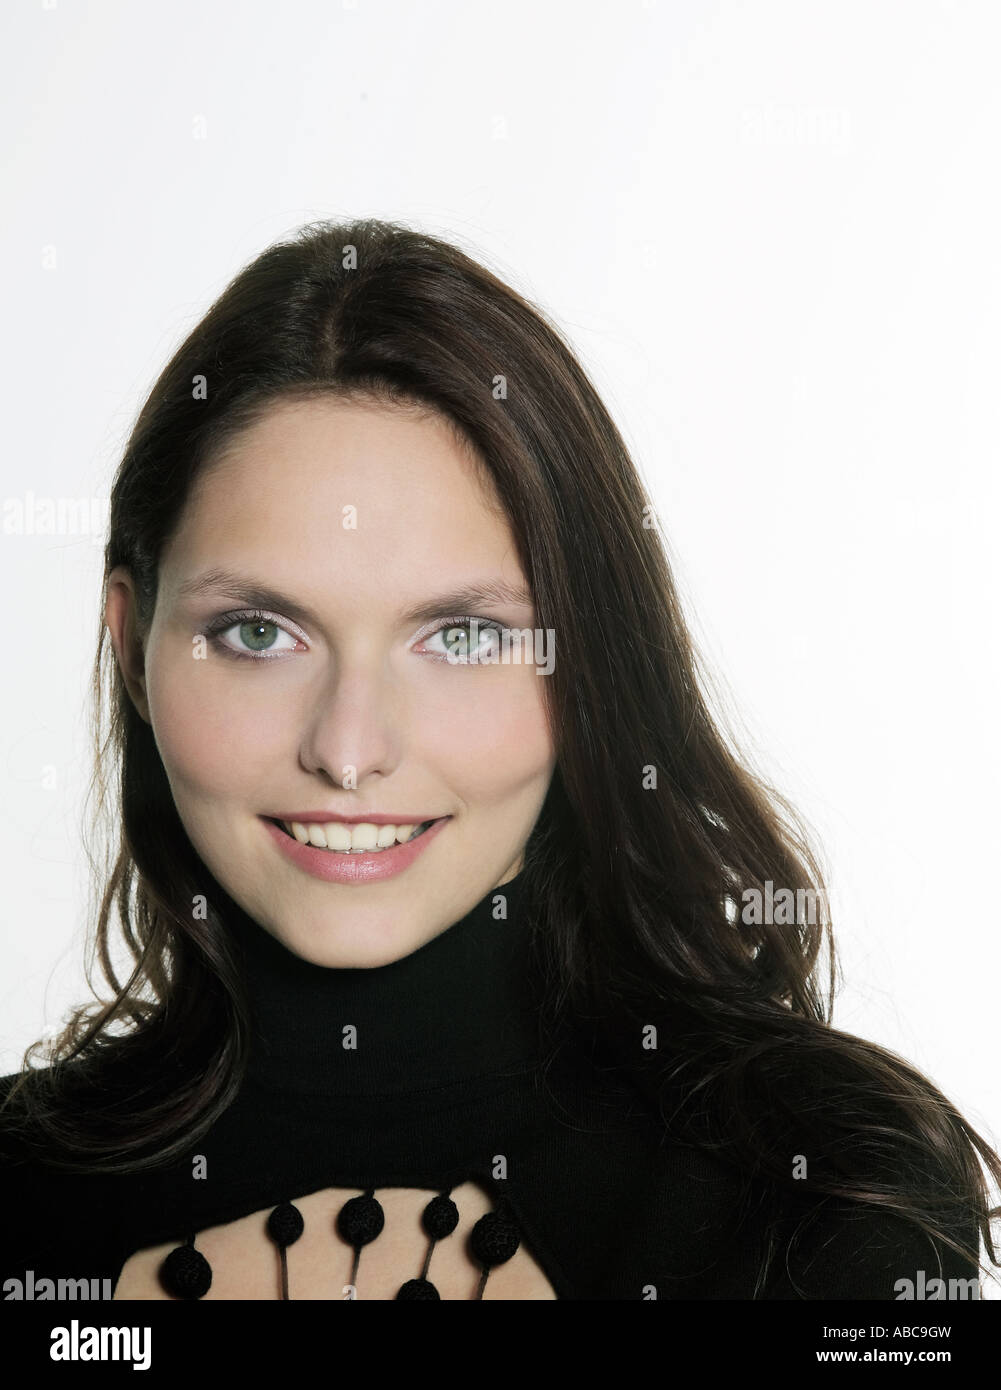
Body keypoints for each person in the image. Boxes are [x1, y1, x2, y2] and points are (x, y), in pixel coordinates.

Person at [1, 219, 997, 1302]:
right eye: (257, 632)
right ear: (131, 648)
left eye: (462, 637)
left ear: (588, 665)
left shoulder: (819, 1195)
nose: (347, 752)